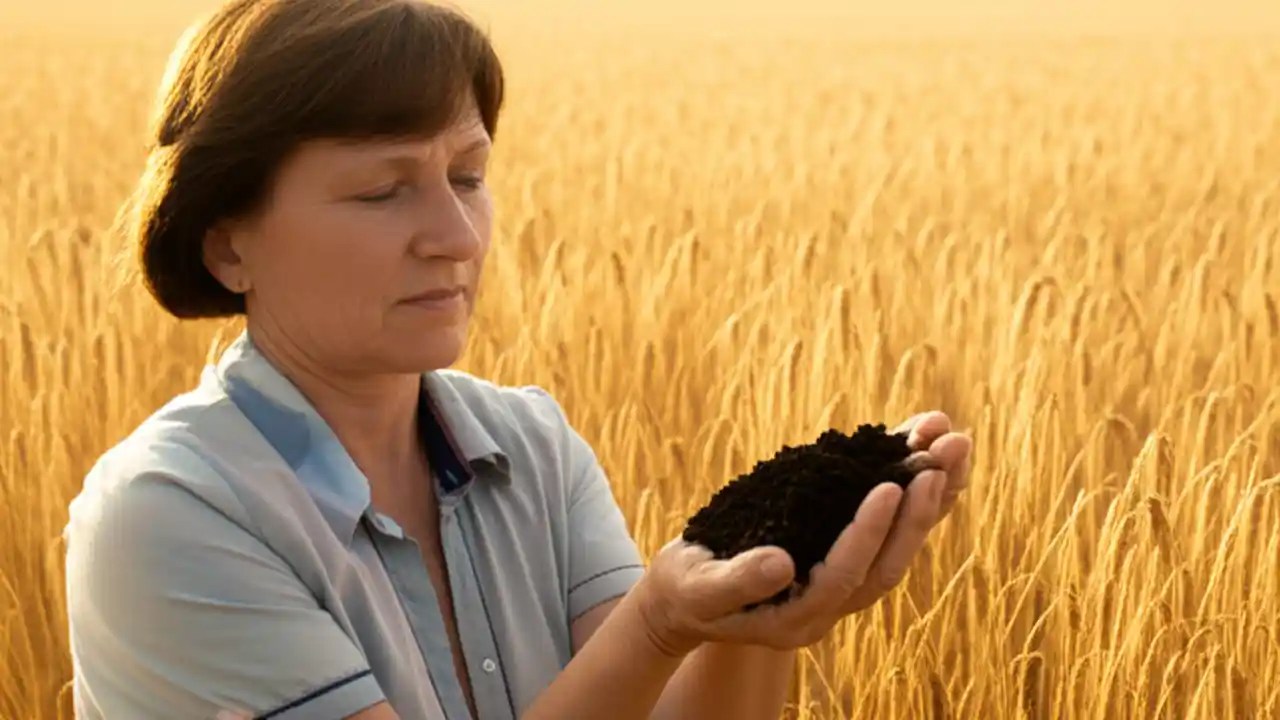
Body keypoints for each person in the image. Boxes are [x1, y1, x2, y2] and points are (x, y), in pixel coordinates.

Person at [62, 1, 974, 718]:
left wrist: (754, 612)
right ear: (227, 245)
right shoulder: (167, 514)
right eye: (384, 191)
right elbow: (640, 657)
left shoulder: (530, 443)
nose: (457, 237)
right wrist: (656, 626)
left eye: (468, 176)